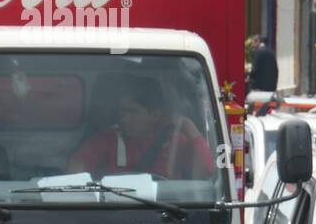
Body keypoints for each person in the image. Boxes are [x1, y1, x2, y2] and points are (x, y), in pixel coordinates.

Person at [69, 77, 214, 180]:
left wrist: (190, 129)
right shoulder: (106, 140)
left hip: (168, 214)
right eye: (122, 111)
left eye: (132, 112)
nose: (123, 117)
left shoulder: (175, 142)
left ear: (155, 114)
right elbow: (74, 174)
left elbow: (207, 173)